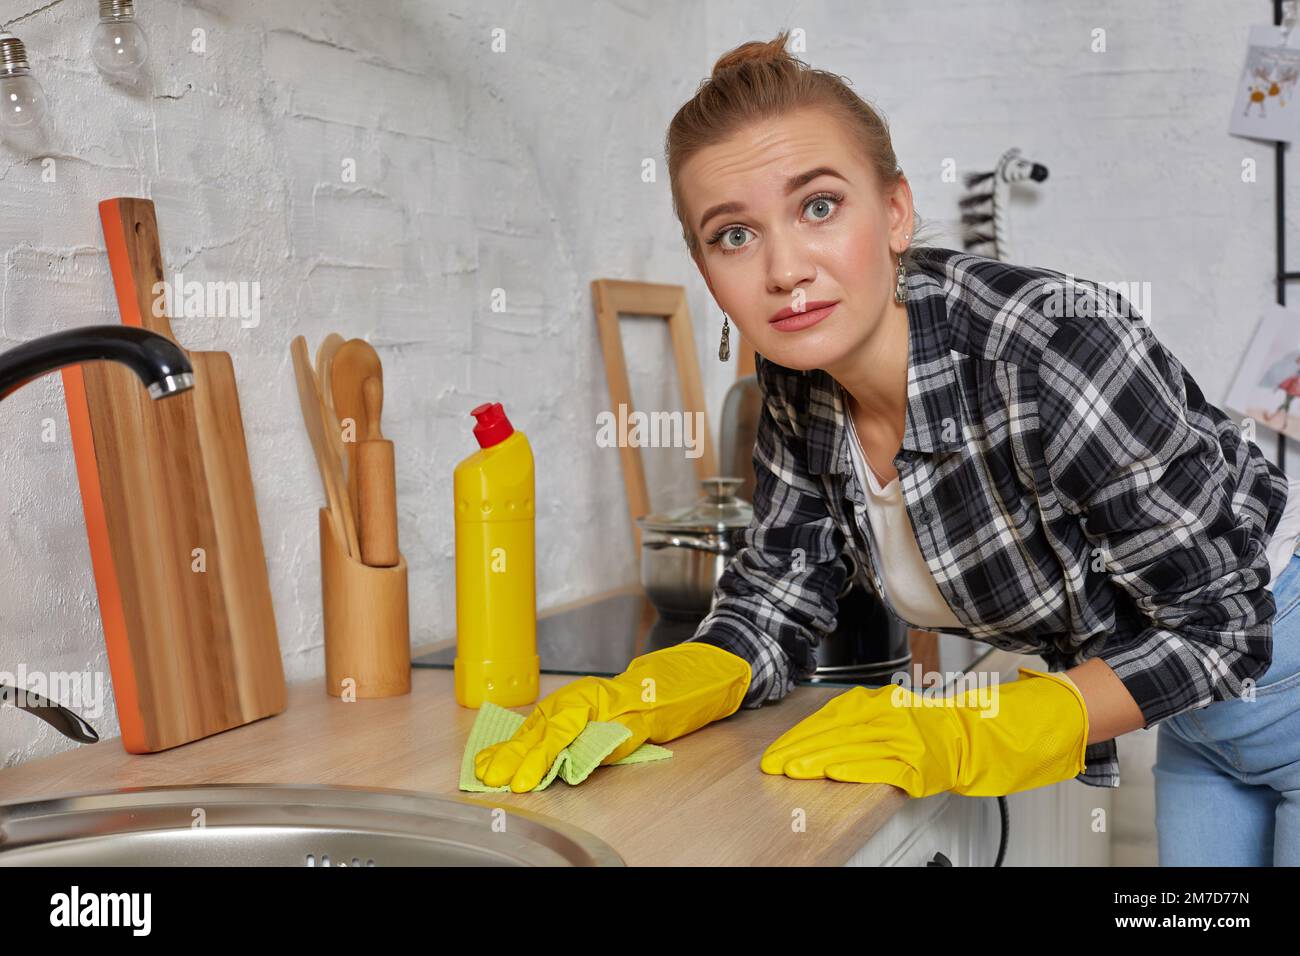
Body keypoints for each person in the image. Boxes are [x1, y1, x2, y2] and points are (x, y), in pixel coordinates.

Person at [474, 32, 1300, 866]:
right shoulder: (798, 381)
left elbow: (1222, 631)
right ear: (703, 264)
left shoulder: (1053, 344)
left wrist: (994, 727)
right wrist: (654, 692)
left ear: (896, 211)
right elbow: (777, 598)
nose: (784, 269)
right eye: (733, 235)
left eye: (819, 207)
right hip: (1187, 706)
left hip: (1278, 649)